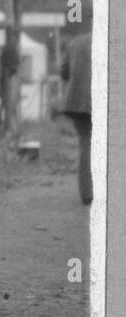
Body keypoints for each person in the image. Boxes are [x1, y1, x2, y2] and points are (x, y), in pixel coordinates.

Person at [60, 29, 93, 205]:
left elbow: (64, 72)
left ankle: (87, 194)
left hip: (76, 102)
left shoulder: (75, 42)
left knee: (85, 145)